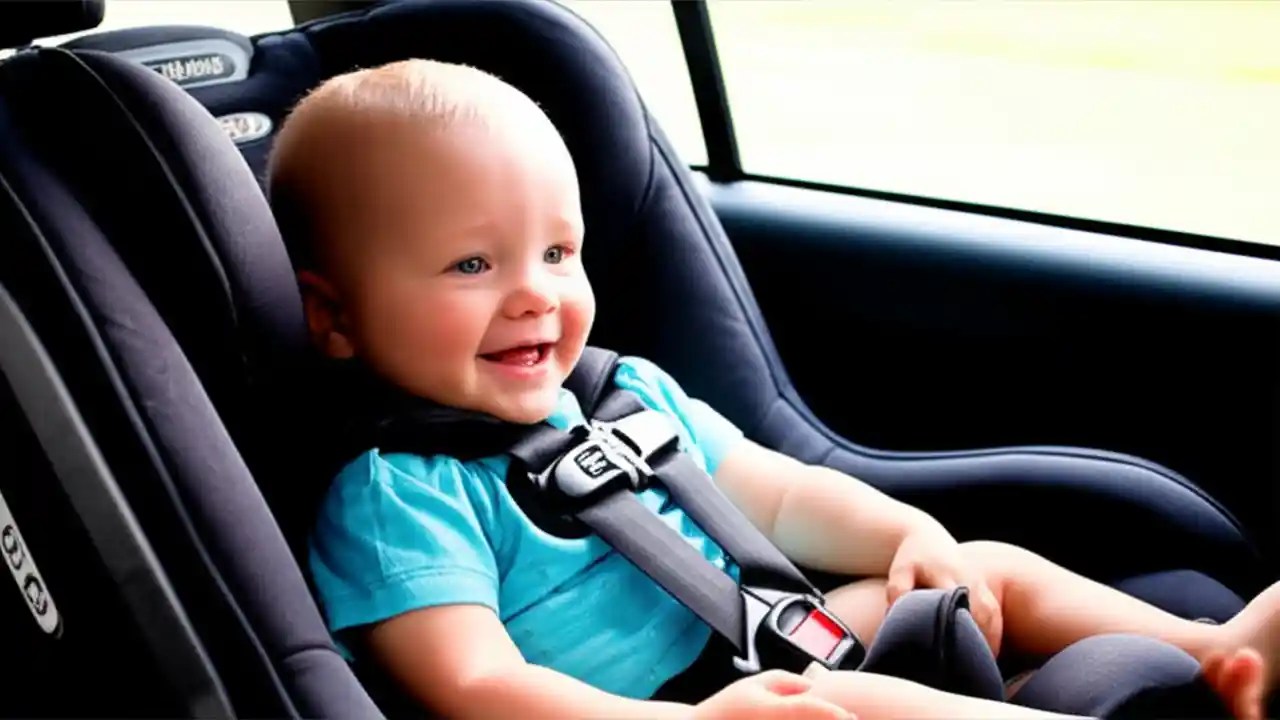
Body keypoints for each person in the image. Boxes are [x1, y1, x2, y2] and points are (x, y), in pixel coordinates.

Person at [266, 58, 1277, 720]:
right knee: (862, 707)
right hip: (673, 710)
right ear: (336, 318)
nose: (535, 292)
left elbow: (781, 495)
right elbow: (471, 684)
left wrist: (897, 539)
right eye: (471, 267)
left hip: (773, 648)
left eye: (557, 252)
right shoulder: (395, 495)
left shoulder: (625, 398)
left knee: (980, 563)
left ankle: (1212, 652)